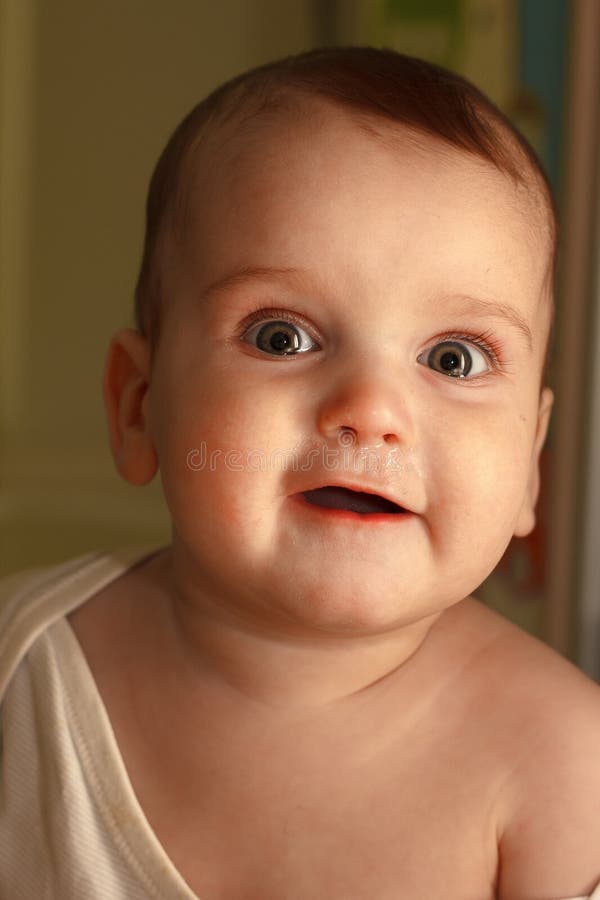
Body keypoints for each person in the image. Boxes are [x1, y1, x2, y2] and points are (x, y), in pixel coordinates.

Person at [1, 46, 599, 900]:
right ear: (138, 407)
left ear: (531, 464)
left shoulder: (563, 772)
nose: (370, 410)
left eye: (455, 358)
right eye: (281, 337)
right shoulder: (20, 666)